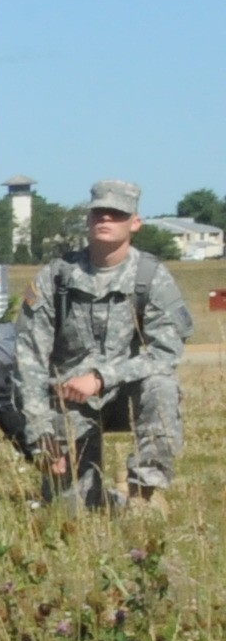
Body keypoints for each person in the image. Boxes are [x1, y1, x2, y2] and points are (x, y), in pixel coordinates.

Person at [13, 181, 193, 509]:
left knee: (162, 386)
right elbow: (28, 358)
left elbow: (166, 351)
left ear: (134, 223)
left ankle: (143, 495)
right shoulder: (57, 277)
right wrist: (42, 436)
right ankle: (105, 497)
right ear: (87, 218)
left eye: (117, 214)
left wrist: (101, 377)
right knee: (74, 510)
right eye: (99, 212)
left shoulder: (151, 276)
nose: (105, 219)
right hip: (71, 400)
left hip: (128, 395)